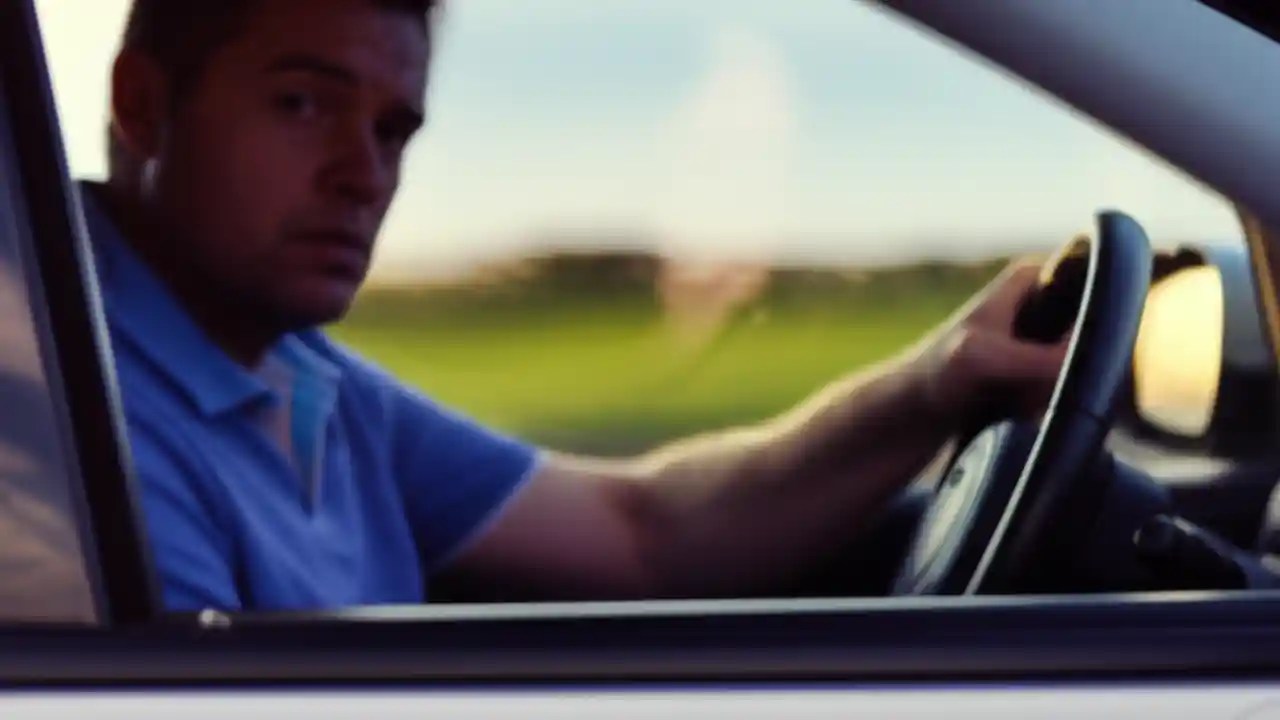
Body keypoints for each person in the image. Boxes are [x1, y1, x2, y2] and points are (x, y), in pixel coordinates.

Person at [83, 0, 1069, 611]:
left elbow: (641, 532)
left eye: (393, 131)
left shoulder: (303, 379)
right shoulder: (83, 427)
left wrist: (936, 382)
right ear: (142, 105)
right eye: (302, 104)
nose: (363, 175)